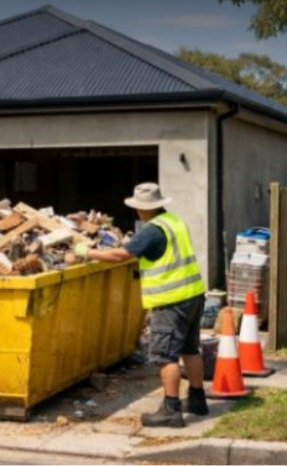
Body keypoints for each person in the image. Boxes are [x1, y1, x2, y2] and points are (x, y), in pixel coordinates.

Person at [69, 182, 207, 428]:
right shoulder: (174, 221)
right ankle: (197, 399)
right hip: (193, 294)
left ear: (144, 209)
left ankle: (171, 410)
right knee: (190, 349)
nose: (137, 212)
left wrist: (85, 252)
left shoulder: (152, 230)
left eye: (138, 208)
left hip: (171, 300)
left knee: (166, 356)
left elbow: (120, 256)